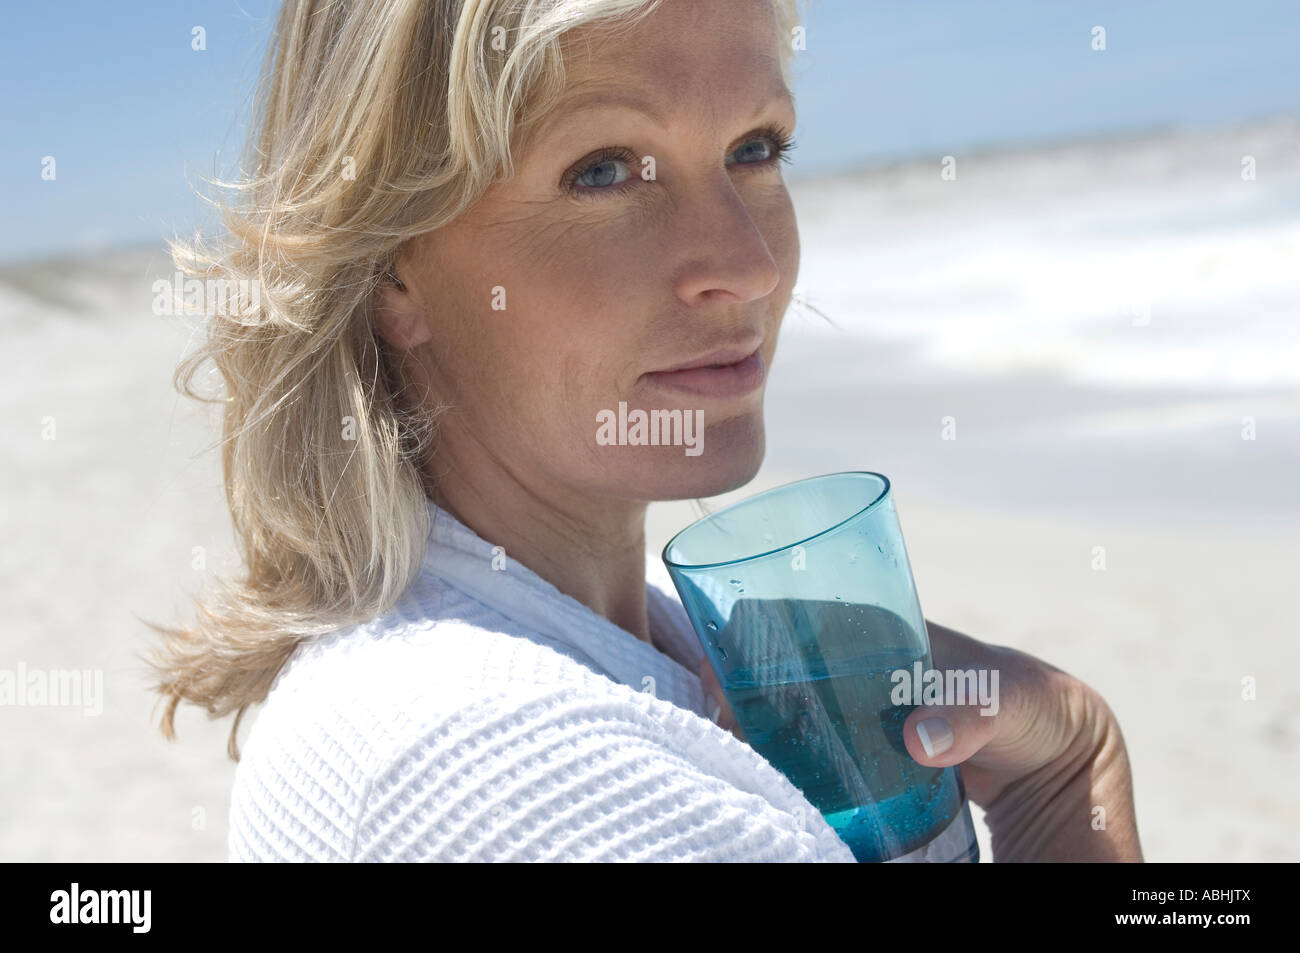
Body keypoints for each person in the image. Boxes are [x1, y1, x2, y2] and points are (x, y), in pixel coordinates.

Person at [146, 0, 1141, 862]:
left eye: (754, 149)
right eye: (606, 170)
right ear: (391, 262)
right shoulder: (507, 765)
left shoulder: (628, 637)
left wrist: (1055, 771)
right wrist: (1073, 779)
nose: (745, 263)